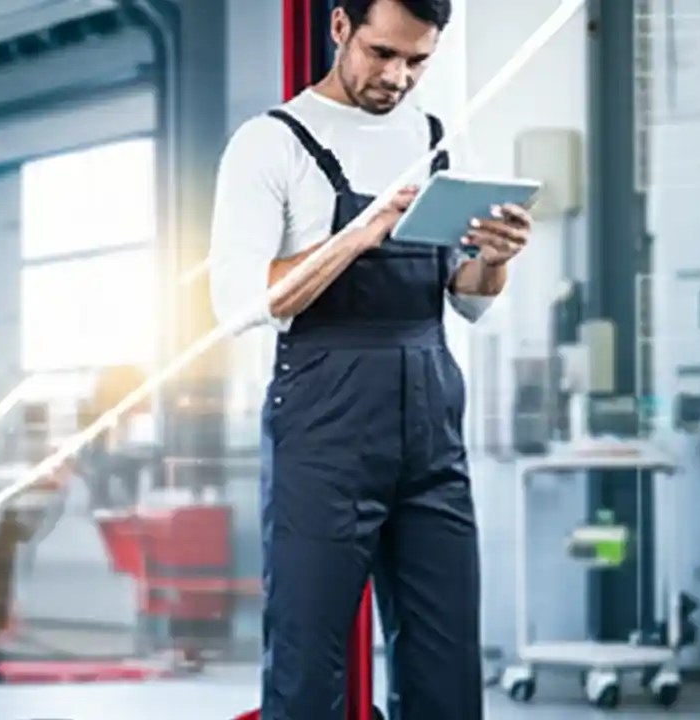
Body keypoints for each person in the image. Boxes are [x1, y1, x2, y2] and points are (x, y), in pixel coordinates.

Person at [207, 1, 533, 717]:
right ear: (340, 28)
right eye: (383, 53)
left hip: (432, 417)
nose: (398, 77)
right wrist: (359, 234)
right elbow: (237, 303)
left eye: (418, 61)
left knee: (446, 665)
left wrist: (495, 260)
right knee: (307, 659)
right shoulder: (272, 143)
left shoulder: (436, 139)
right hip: (326, 419)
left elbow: (467, 298)